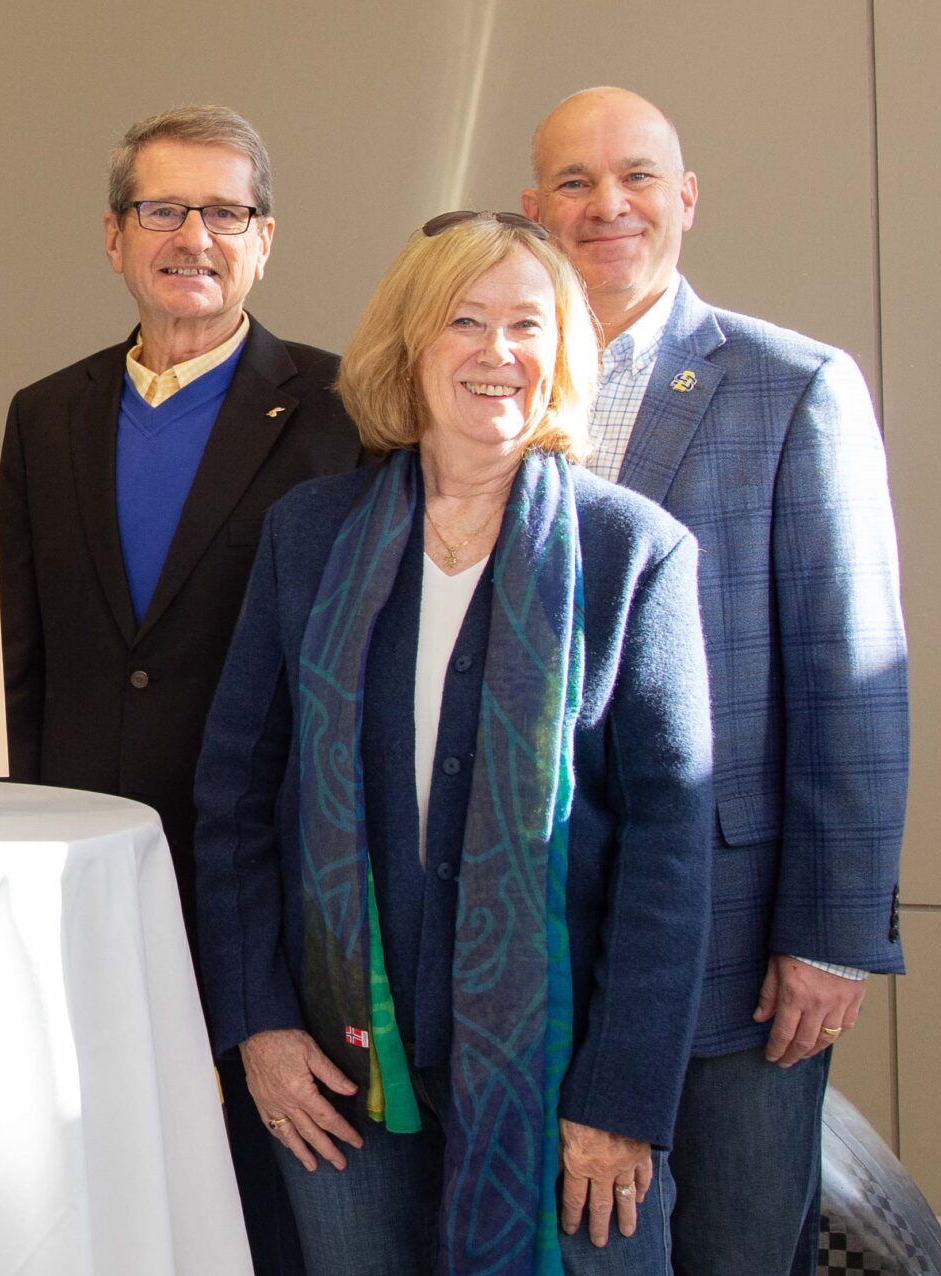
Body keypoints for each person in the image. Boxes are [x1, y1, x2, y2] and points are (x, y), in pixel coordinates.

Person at [194, 211, 713, 1275]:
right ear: (409, 345)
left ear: (563, 351)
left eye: (527, 324)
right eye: (463, 321)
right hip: (343, 1072)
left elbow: (670, 850)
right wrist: (261, 1026)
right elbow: (235, 796)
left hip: (564, 1076)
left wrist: (621, 1096)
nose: (496, 351)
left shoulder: (632, 552)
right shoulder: (310, 535)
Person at [518, 87, 909, 1276]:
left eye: (636, 176)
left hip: (739, 946)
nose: (607, 205)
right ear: (533, 210)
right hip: (535, 929)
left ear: (685, 198)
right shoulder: (494, 386)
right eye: (574, 182)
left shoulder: (794, 385)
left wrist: (830, 936)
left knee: (737, 1246)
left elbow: (853, 682)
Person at [0, 104, 361, 1274]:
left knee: (268, 1209)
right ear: (113, 236)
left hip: (266, 882)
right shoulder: (44, 415)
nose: (192, 236)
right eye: (162, 209)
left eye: (224, 212)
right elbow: (15, 659)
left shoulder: (345, 412)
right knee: (89, 1193)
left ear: (264, 240)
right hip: (81, 870)